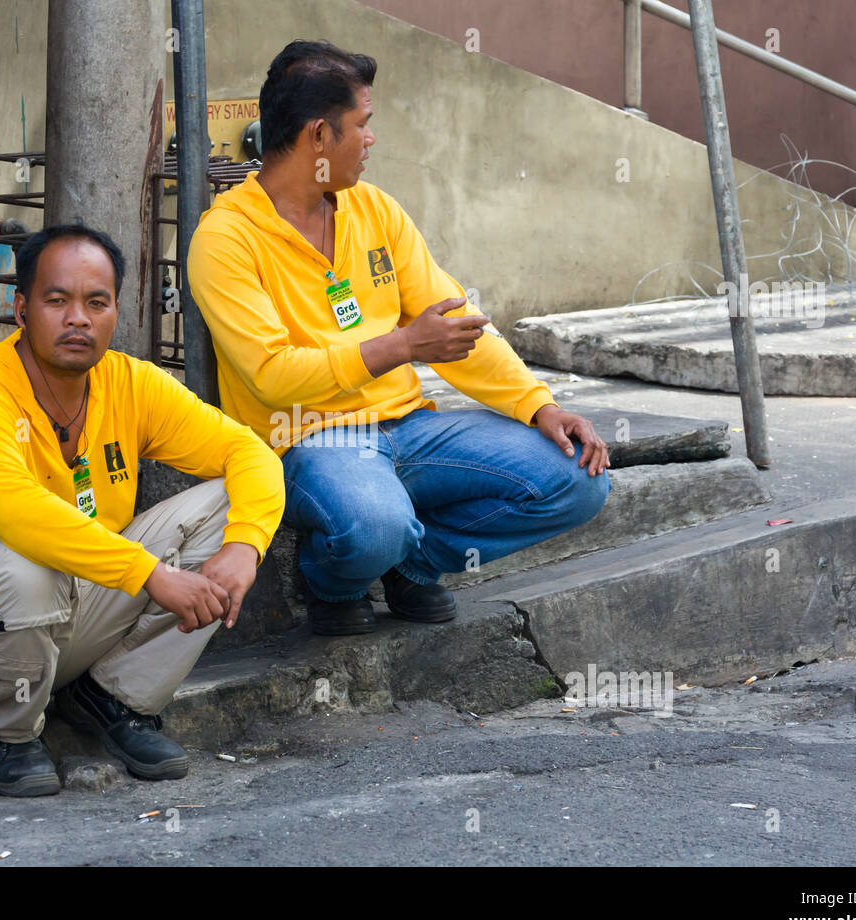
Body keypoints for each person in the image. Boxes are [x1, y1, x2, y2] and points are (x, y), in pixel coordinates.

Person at [188, 40, 610, 637]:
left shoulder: (376, 210)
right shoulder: (224, 239)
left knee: (577, 480)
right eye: (362, 124)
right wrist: (404, 346)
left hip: (409, 425)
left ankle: (412, 564)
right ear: (317, 137)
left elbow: (458, 324)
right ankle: (332, 579)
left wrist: (540, 405)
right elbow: (273, 375)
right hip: (307, 438)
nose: (370, 139)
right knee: (373, 524)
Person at [0, 224, 284, 797]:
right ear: (20, 308)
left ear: (115, 311)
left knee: (232, 502)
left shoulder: (130, 384)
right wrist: (153, 575)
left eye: (95, 302)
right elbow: (23, 516)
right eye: (57, 300)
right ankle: (6, 732)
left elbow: (248, 450)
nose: (78, 318)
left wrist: (244, 546)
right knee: (21, 563)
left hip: (78, 608)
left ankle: (111, 698)